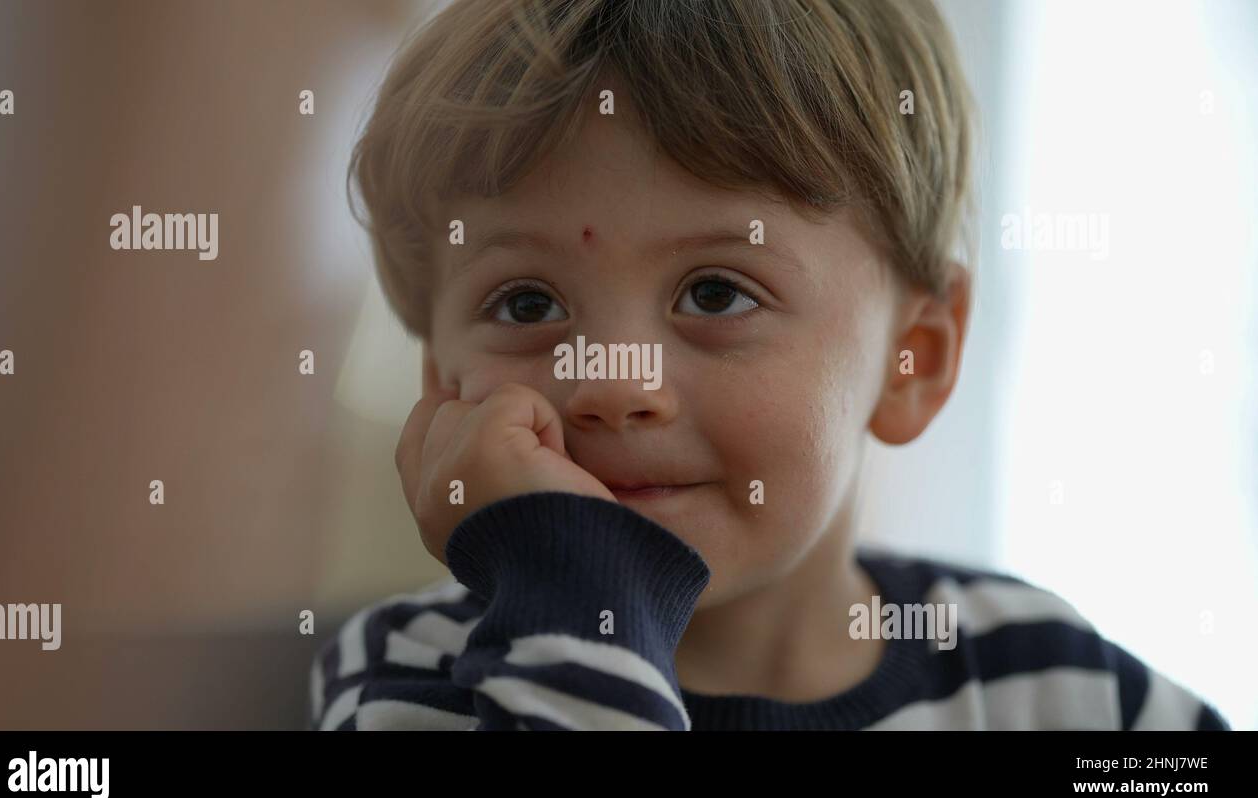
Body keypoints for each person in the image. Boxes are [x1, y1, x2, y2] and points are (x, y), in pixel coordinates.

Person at [311, 0, 1229, 730]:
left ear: (915, 357)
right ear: (441, 384)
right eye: (527, 304)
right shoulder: (414, 670)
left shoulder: (1056, 686)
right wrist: (576, 595)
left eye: (716, 293)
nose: (612, 382)